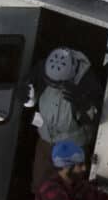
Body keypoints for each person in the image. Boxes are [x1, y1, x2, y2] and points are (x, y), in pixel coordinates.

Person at [30, 47, 101, 186]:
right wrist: (26, 95)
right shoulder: (45, 68)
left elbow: (99, 119)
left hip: (72, 151)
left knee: (68, 190)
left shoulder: (88, 82)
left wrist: (85, 105)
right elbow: (29, 87)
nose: (52, 86)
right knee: (41, 187)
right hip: (45, 143)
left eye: (56, 84)